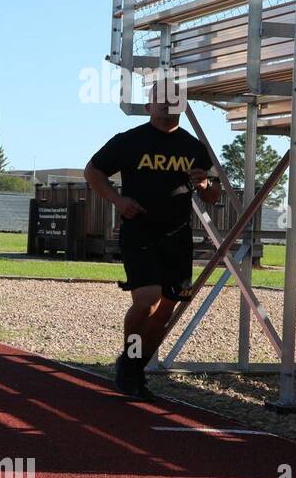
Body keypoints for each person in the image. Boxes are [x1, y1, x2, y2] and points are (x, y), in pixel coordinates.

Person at [84, 94, 220, 400]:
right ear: (148, 106)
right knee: (146, 299)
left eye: (174, 99)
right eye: (160, 98)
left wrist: (204, 186)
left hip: (178, 235)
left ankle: (133, 368)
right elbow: (92, 173)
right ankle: (129, 359)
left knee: (166, 310)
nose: (167, 104)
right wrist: (118, 200)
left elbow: (213, 194)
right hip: (140, 230)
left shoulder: (194, 148)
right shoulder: (128, 141)